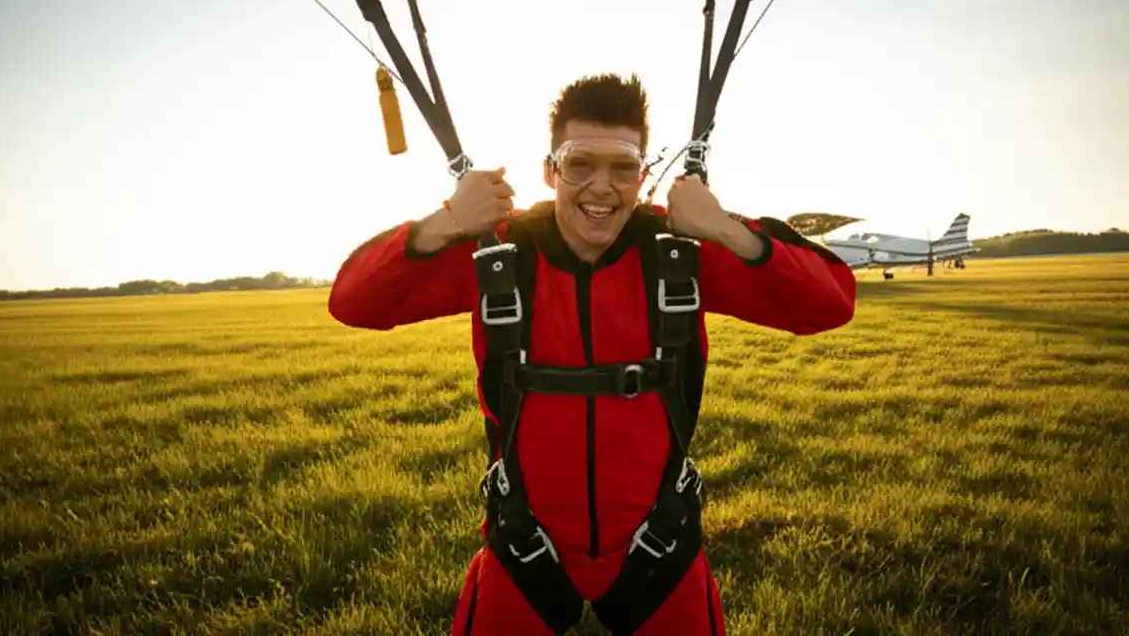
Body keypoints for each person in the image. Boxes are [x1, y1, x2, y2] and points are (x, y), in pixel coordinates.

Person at [328, 73, 856, 635]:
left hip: (658, 543)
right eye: (580, 165)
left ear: (644, 174)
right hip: (524, 544)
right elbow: (354, 300)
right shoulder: (499, 254)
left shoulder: (678, 251)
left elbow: (829, 303)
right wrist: (448, 221)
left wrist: (725, 228)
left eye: (623, 168)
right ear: (549, 171)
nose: (601, 187)